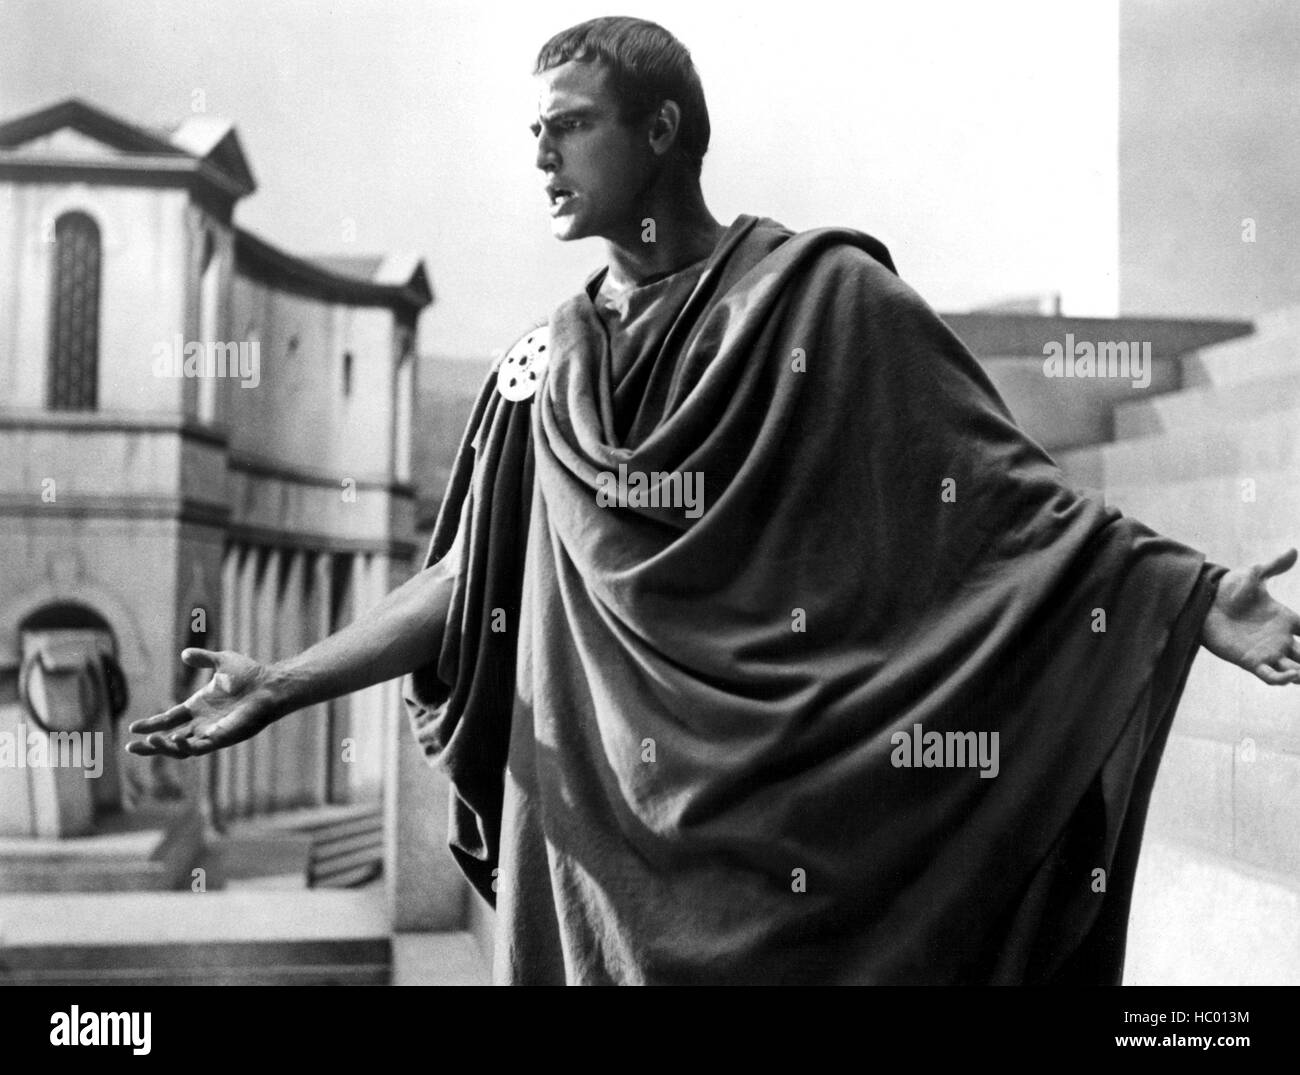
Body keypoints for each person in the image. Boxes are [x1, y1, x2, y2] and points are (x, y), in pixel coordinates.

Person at [128, 16, 1300, 985]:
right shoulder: (545, 363)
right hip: (595, 843)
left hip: (776, 836)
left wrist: (1195, 601)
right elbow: (474, 584)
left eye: (572, 126)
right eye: (533, 131)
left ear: (665, 129)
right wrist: (284, 682)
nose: (541, 155)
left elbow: (1008, 506)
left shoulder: (825, 303)